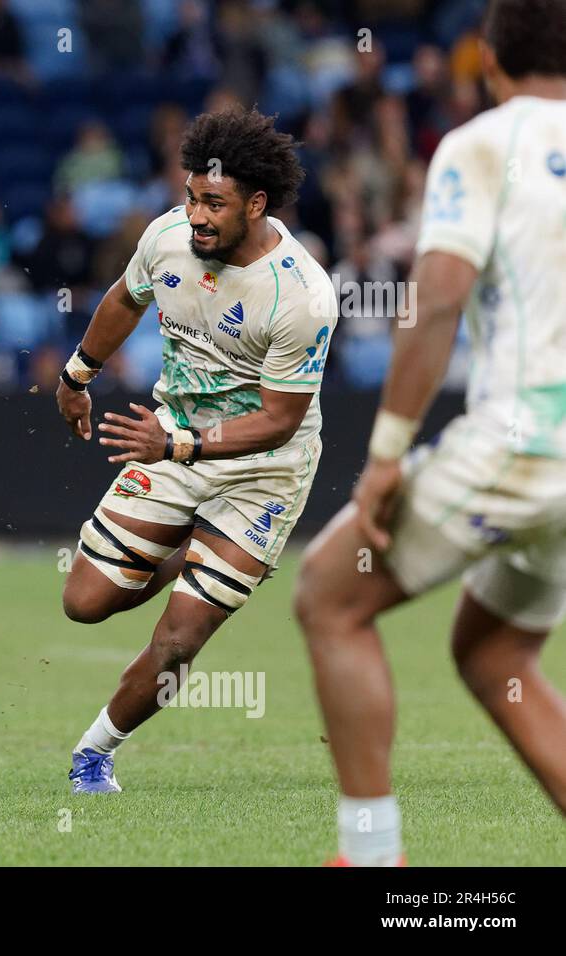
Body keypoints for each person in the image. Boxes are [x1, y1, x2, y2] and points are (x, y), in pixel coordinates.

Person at [295, 0, 566, 866]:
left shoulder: (485, 142)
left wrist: (384, 459)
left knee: (330, 598)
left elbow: (439, 292)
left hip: (528, 438)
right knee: (496, 652)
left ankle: (369, 861)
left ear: (487, 60)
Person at [55, 108, 337, 795]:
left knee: (180, 638)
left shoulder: (303, 296)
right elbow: (125, 298)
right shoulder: (167, 238)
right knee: (85, 602)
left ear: (257, 204)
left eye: (214, 203)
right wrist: (77, 374)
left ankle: (95, 753)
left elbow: (277, 421)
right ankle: (196, 551)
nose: (196, 215)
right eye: (190, 196)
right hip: (175, 437)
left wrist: (177, 443)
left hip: (261, 472)